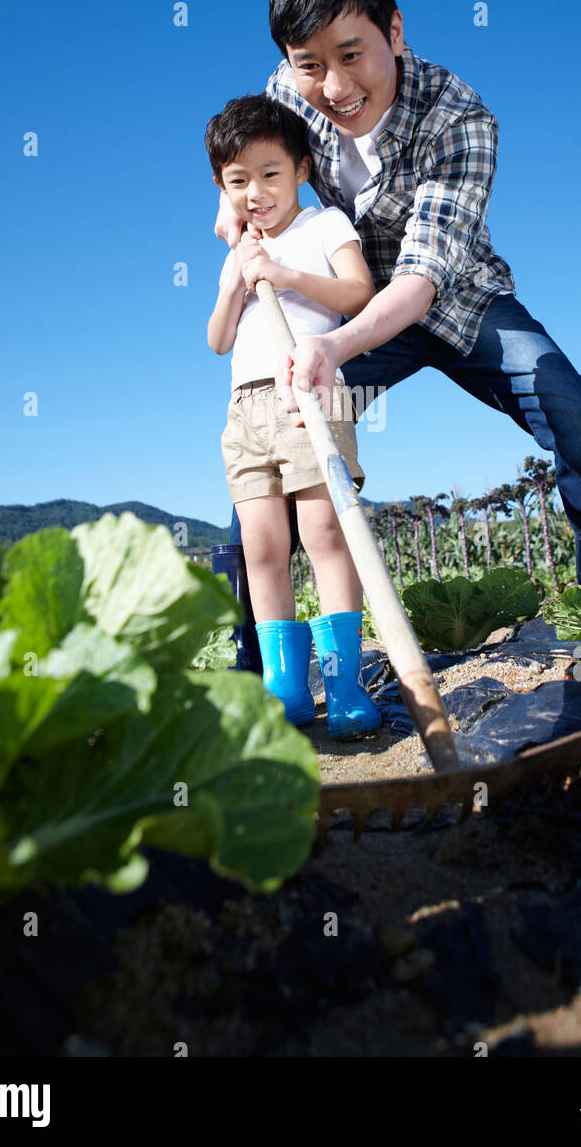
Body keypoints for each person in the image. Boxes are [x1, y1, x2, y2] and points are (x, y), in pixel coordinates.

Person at [214, 0, 581, 675]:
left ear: (396, 32)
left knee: (578, 413)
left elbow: (418, 281)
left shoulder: (459, 118)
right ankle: (247, 674)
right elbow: (245, 168)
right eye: (310, 64)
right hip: (346, 314)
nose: (333, 85)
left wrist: (334, 350)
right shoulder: (287, 94)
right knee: (280, 455)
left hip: (452, 304)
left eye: (353, 55)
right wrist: (232, 216)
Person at [206, 93, 382, 739]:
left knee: (324, 534)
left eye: (270, 174)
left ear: (302, 170)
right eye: (238, 181)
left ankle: (343, 682)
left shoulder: (322, 227)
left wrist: (283, 277)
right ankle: (285, 687)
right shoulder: (241, 252)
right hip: (245, 408)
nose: (257, 192)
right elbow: (218, 340)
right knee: (262, 546)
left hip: (306, 393)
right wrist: (235, 281)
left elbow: (359, 293)